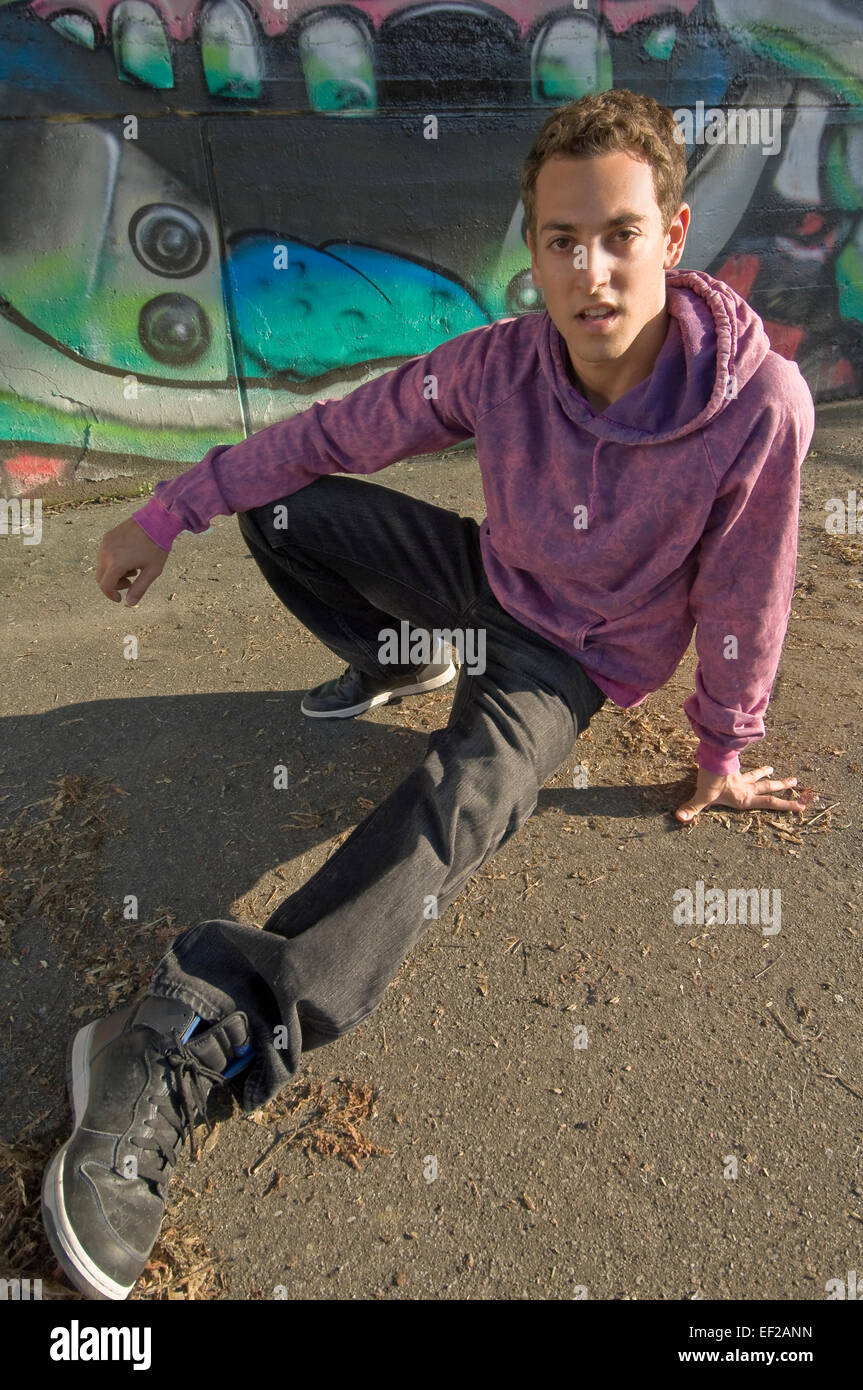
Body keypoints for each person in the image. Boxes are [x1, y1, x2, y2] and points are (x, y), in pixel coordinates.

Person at [40, 88, 815, 1300]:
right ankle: (407, 652)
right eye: (560, 240)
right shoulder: (499, 367)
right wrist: (166, 509)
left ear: (672, 235)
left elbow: (749, 591)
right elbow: (333, 431)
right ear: (533, 250)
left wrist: (723, 742)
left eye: (618, 235)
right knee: (288, 500)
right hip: (482, 586)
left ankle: (192, 1029)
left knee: (459, 801)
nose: (590, 270)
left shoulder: (756, 406)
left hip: (571, 662)